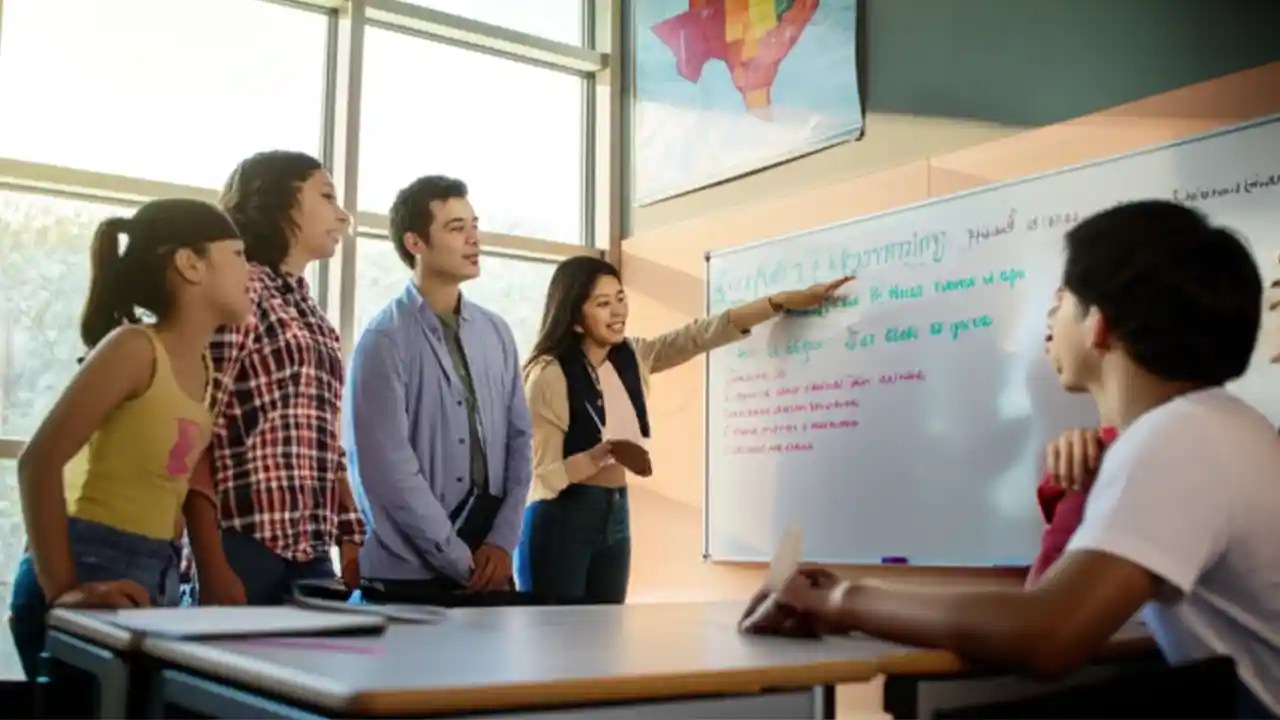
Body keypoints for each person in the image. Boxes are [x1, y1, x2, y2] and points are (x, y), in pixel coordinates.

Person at [739, 200, 1280, 718]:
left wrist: (840, 600)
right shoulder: (1222, 428)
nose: (1048, 318)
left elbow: (1048, 632)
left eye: (1062, 298)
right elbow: (1059, 603)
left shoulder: (1176, 438)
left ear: (1098, 325)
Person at [516, 255, 852, 604]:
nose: (618, 312)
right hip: (563, 515)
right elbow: (544, 476)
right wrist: (600, 455)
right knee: (554, 639)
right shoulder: (549, 375)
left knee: (604, 634)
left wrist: (778, 302)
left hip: (615, 510)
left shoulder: (633, 355)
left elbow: (697, 335)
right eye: (603, 304)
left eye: (620, 298)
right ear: (574, 319)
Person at [8, 199, 249, 679]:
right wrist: (64, 591)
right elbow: (38, 462)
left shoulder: (206, 368)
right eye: (239, 255)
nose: (251, 272)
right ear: (190, 264)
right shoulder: (133, 349)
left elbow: (182, 473)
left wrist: (210, 564)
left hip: (155, 571)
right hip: (90, 562)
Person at [186, 151, 366, 606]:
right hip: (242, 541)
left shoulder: (305, 305)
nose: (342, 215)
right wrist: (211, 564)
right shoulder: (239, 290)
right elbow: (193, 429)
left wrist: (349, 529)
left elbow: (321, 433)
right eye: (326, 196)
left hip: (307, 548)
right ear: (278, 202)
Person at [344, 175, 532, 605]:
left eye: (474, 224)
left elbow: (520, 442)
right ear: (415, 243)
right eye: (455, 227)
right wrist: (455, 557)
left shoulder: (496, 332)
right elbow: (387, 471)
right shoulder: (384, 339)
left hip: (490, 562)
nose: (474, 239)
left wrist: (503, 542)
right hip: (409, 576)